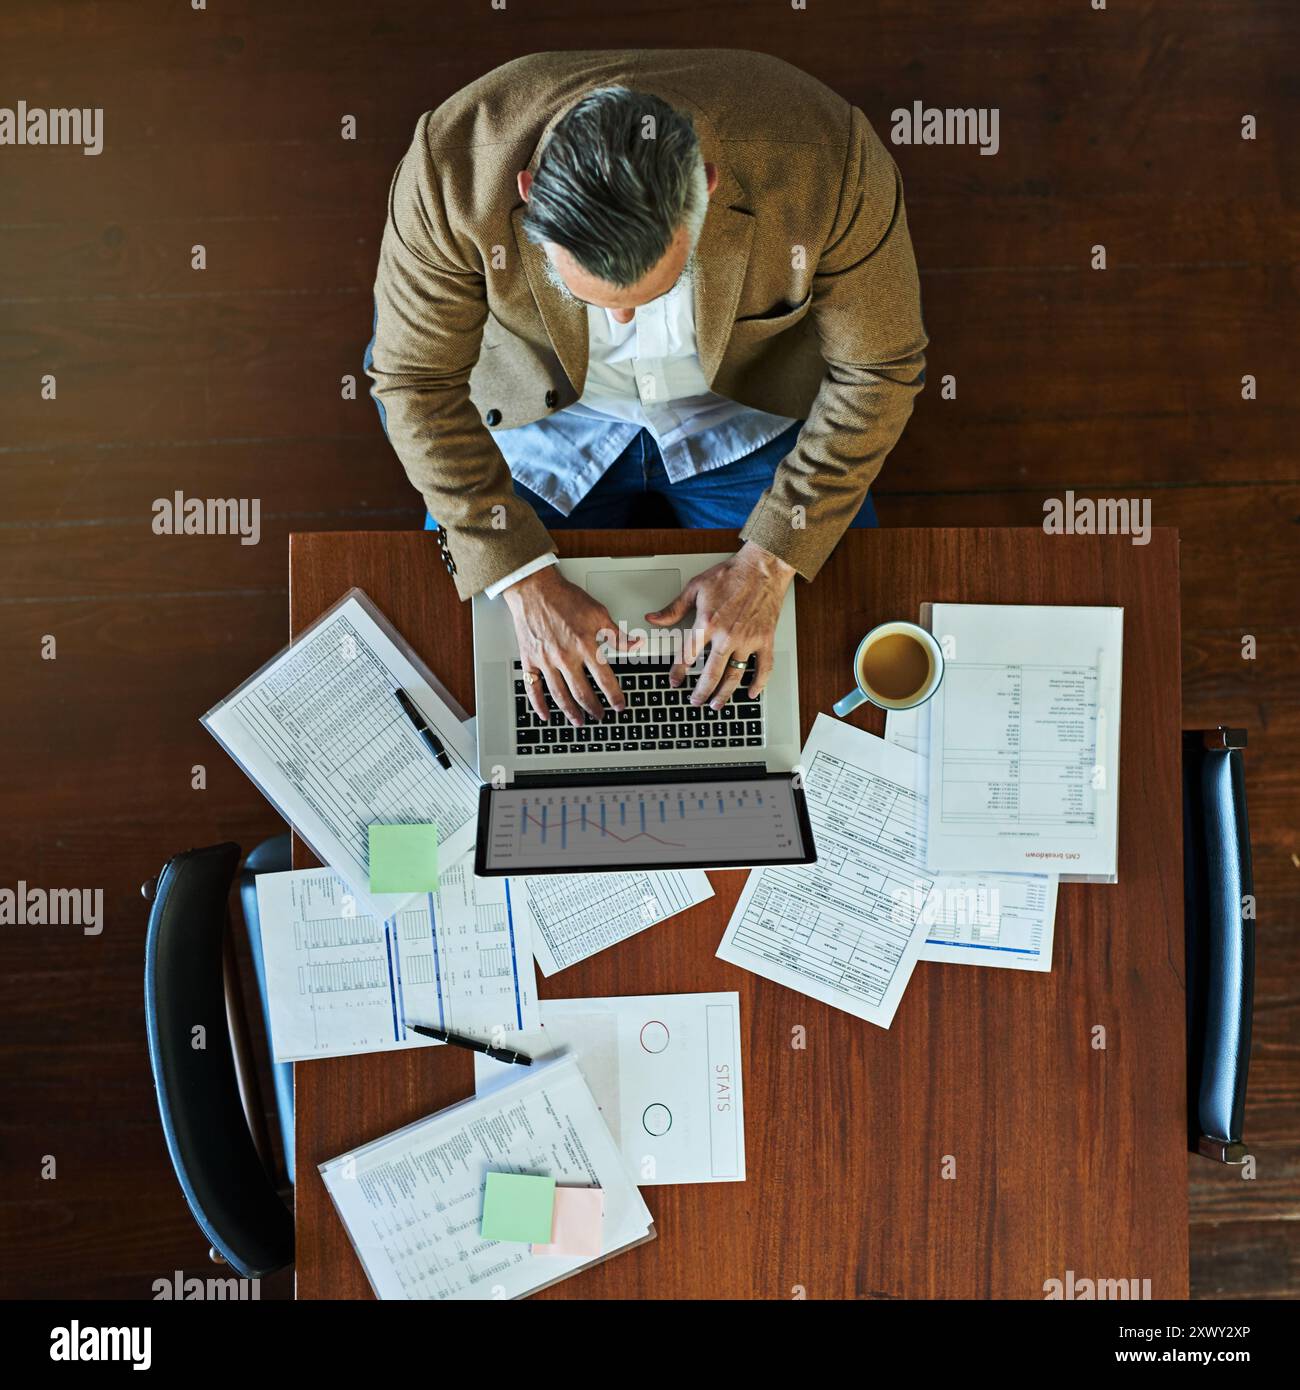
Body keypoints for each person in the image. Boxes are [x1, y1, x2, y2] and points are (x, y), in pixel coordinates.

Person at [366, 50, 926, 727]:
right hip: (539, 423)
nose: (621, 321)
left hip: (742, 414)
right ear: (528, 189)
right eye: (595, 299)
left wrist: (771, 562)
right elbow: (415, 380)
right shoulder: (449, 168)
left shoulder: (828, 158)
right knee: (470, 667)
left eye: (649, 294)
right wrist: (521, 580)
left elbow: (878, 371)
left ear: (708, 189)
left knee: (820, 657)